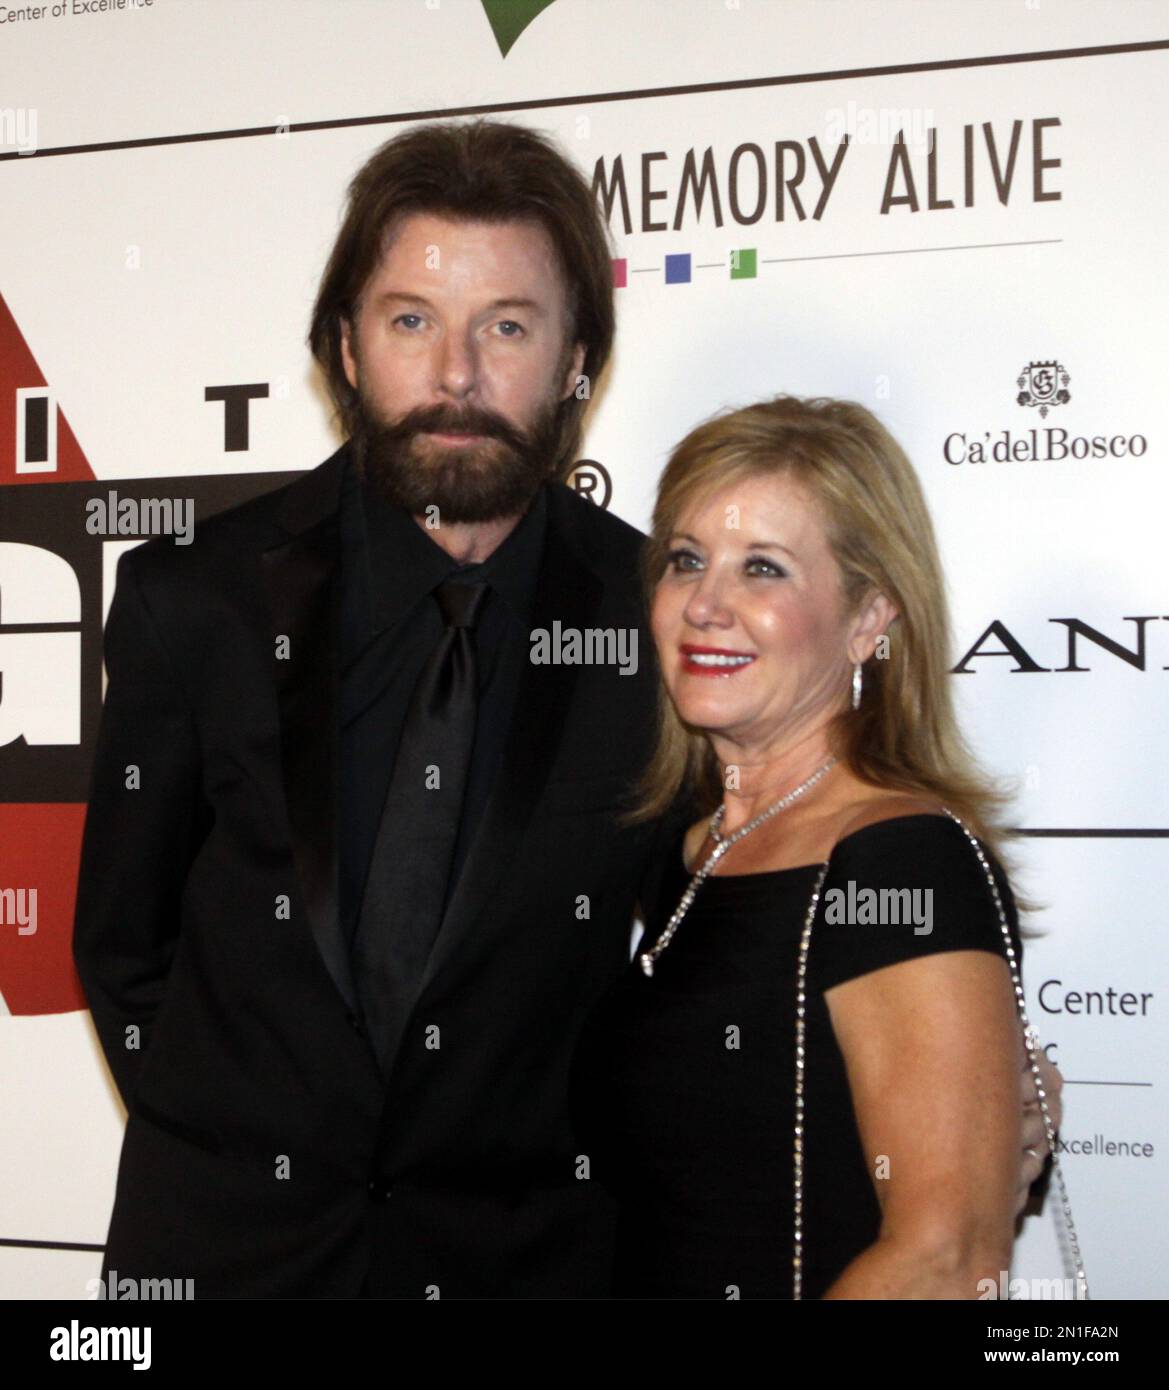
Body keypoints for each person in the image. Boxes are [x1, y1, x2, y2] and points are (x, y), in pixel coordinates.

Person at [72, 119, 1060, 1300]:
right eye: (409, 321)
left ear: (577, 357)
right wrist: (242, 1159)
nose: (455, 376)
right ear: (342, 346)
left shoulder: (664, 627)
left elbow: (736, 951)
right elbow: (123, 950)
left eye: (506, 326)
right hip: (221, 1266)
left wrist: (971, 1116)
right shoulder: (201, 600)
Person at [570, 394, 1051, 1299]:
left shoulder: (901, 861)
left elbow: (942, 1259)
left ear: (869, 616)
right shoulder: (687, 852)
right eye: (685, 560)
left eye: (762, 568)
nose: (706, 605)